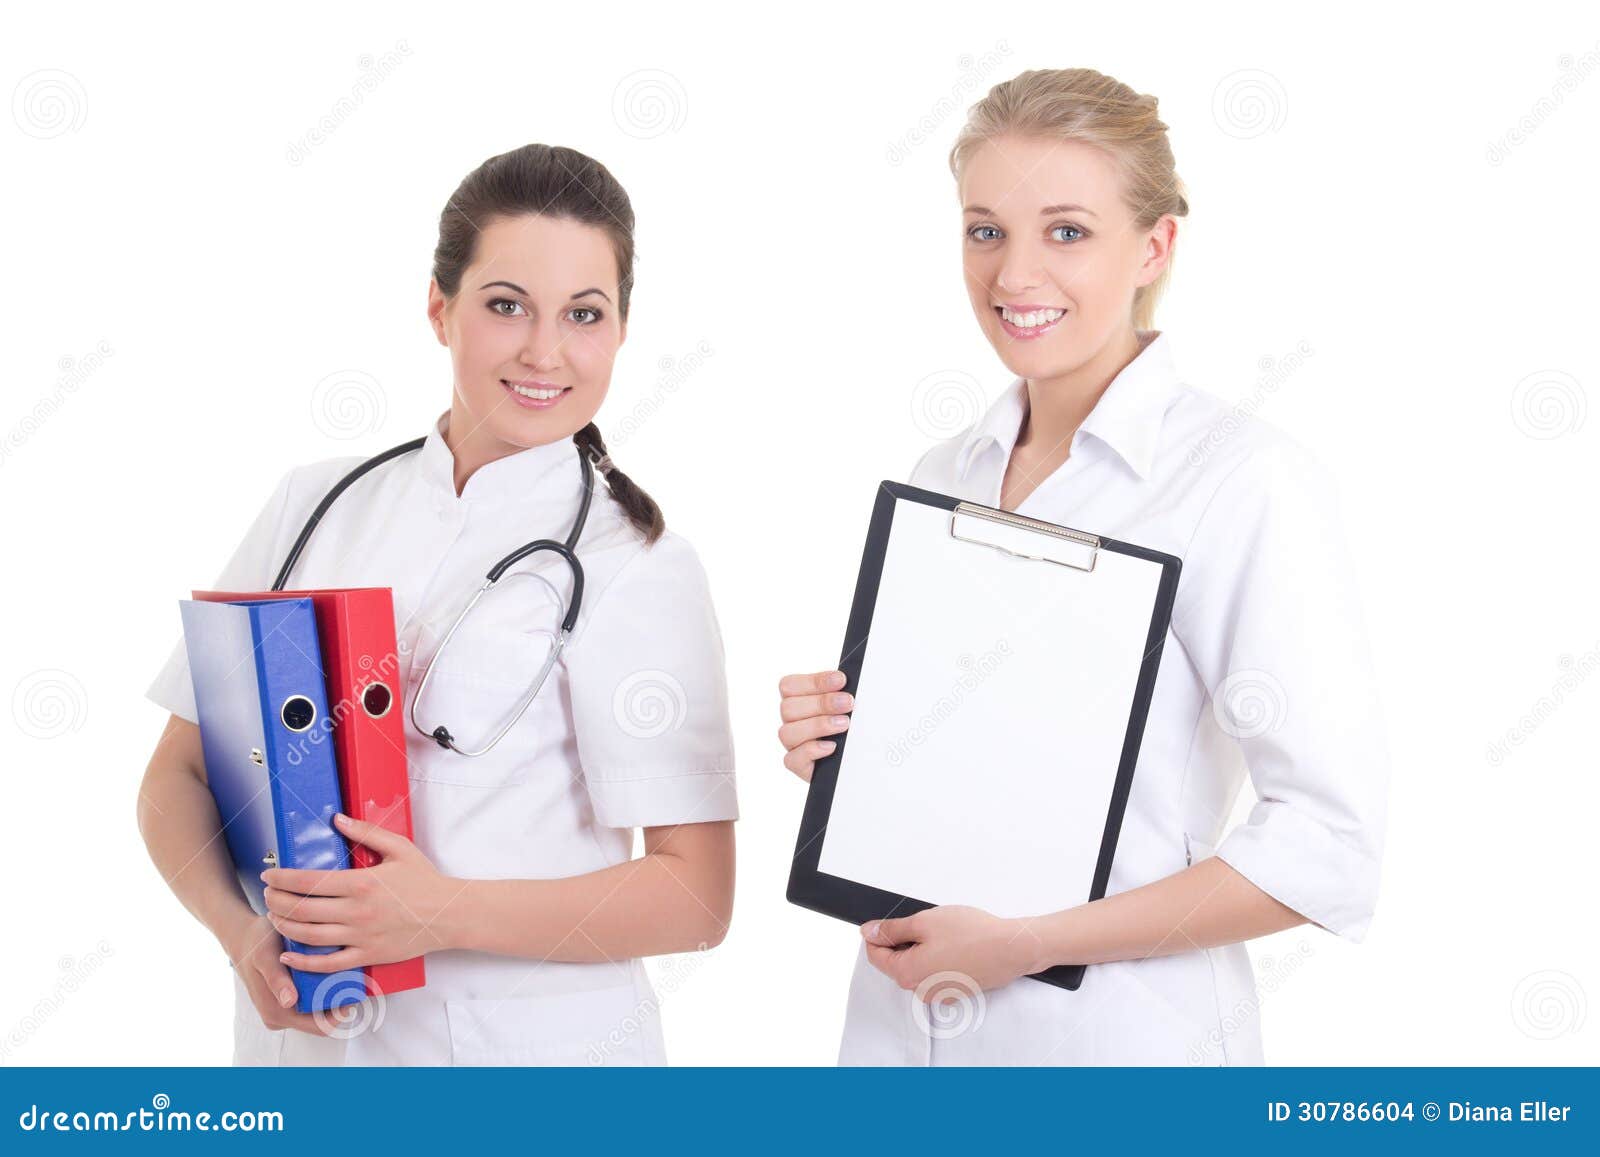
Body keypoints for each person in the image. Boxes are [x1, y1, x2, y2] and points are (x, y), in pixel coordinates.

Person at [777, 68, 1389, 1065]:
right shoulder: (947, 471)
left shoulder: (1244, 482)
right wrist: (844, 745)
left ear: (1154, 246)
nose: (1015, 275)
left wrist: (1031, 941)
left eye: (1066, 231)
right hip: (897, 1043)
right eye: (985, 230)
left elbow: (1328, 841)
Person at [138, 143, 737, 1066]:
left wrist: (438, 913)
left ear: (620, 331)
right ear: (439, 308)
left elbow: (696, 898)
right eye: (506, 306)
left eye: (585, 313)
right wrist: (240, 932)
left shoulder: (638, 562)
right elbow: (176, 778)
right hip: (307, 1050)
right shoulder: (315, 502)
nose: (546, 351)